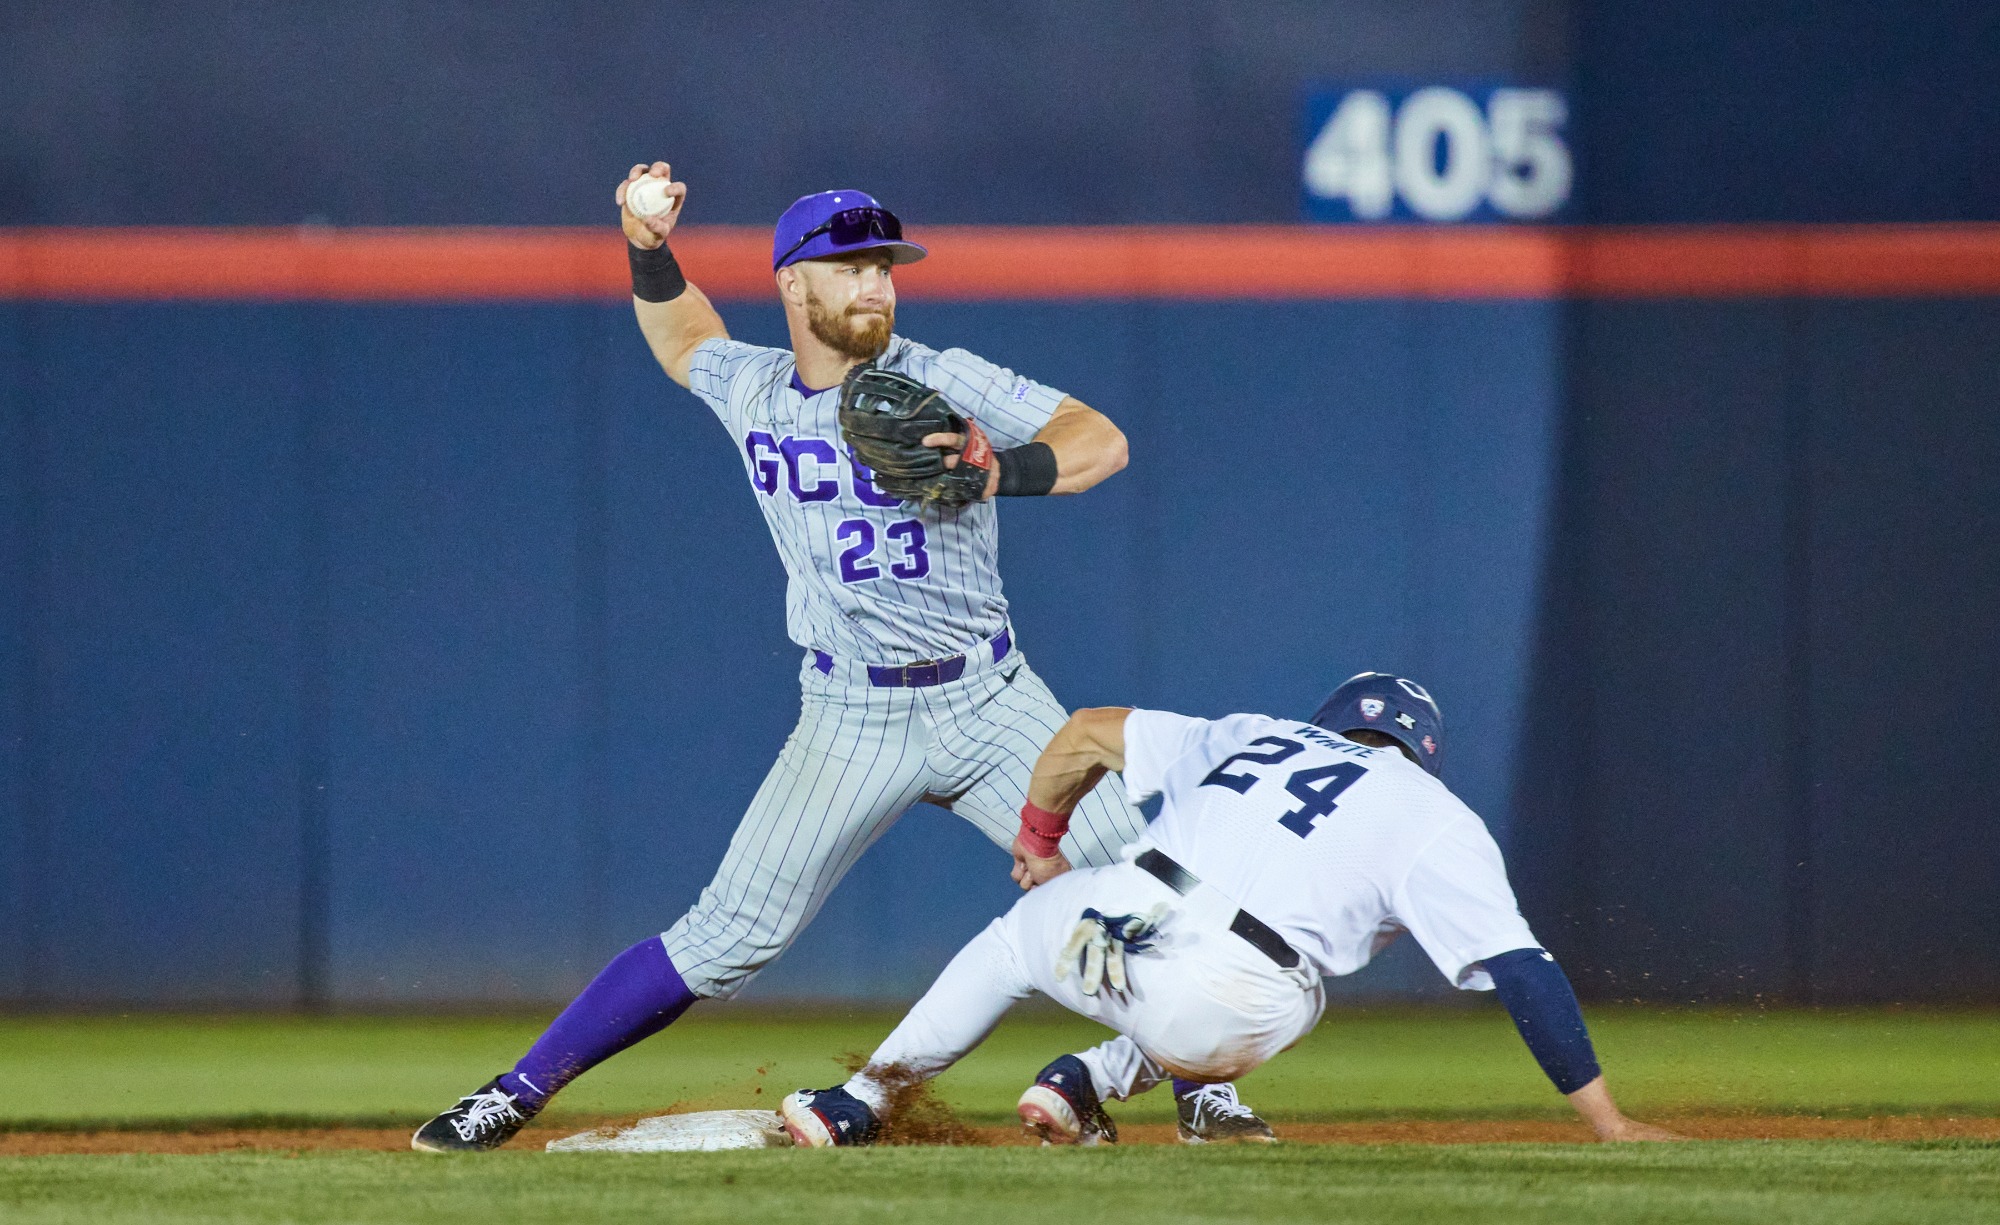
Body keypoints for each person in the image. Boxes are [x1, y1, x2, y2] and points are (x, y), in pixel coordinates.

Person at [412, 161, 1272, 1151]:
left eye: (885, 266)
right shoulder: (753, 390)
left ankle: (1201, 1089)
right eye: (850, 265)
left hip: (993, 701)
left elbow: (1099, 440)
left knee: (1160, 892)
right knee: (727, 938)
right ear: (792, 284)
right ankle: (509, 1094)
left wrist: (1005, 465)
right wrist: (646, 248)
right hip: (850, 715)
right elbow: (683, 332)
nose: (876, 282)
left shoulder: (938, 375)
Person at [777, 672, 1684, 1146]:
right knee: (1298, 991)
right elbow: (1524, 968)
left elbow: (1087, 728)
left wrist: (1042, 835)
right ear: (1423, 753)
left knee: (1012, 941)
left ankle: (856, 1102)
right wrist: (1605, 1119)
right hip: (1228, 1003)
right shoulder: (1436, 817)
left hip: (1117, 915)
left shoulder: (1260, 734)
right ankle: (1110, 1083)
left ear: (1327, 725)